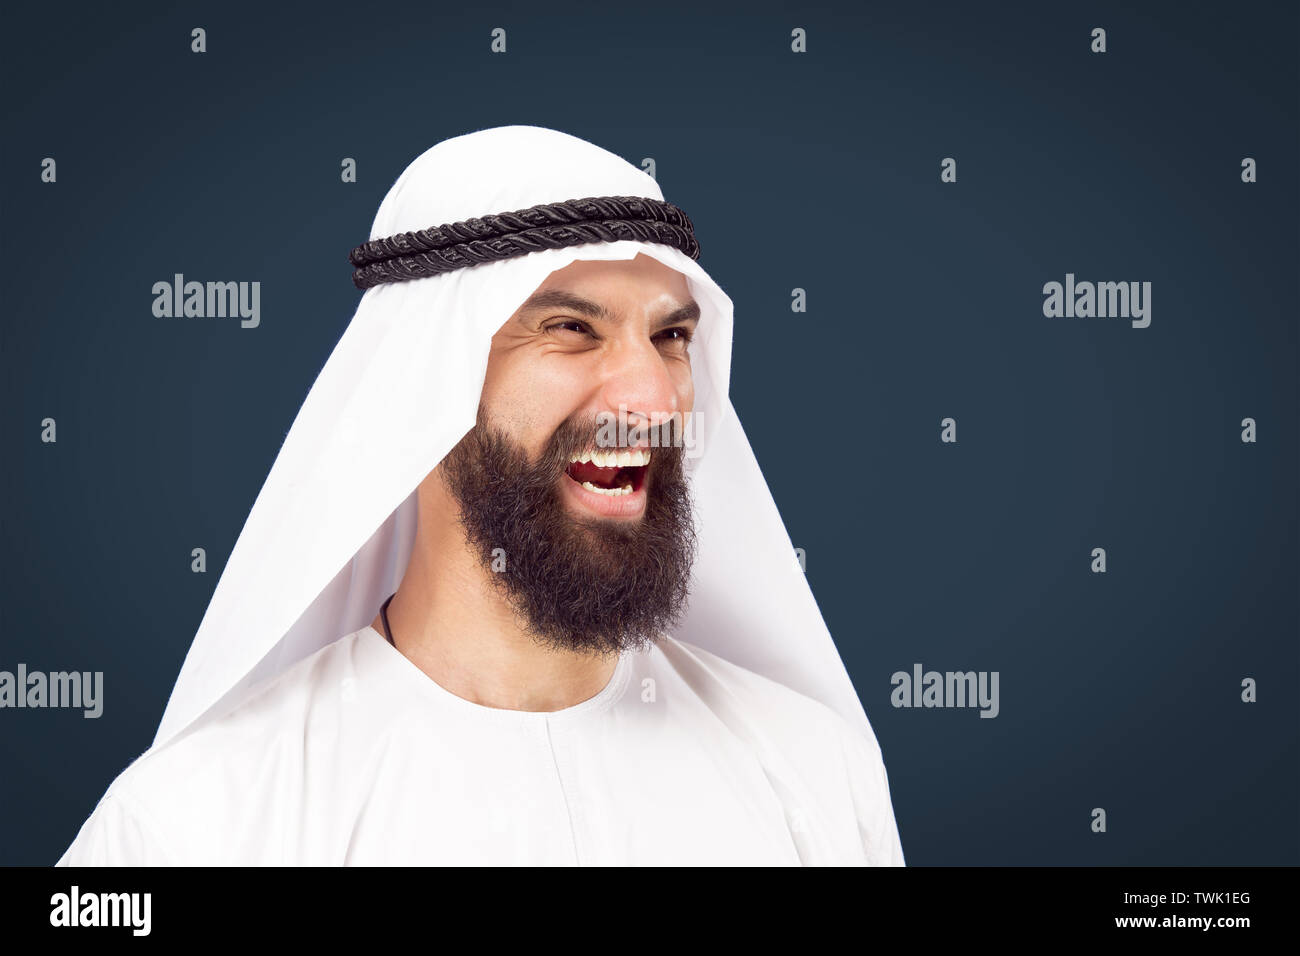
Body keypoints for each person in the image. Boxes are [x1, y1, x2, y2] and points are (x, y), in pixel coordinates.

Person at [56, 125, 905, 865]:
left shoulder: (813, 778)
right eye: (571, 329)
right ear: (423, 387)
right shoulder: (197, 825)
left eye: (671, 335)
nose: (652, 400)